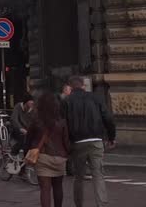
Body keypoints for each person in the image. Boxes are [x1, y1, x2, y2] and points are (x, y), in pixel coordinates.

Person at [63, 76, 116, 207]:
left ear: (70, 87)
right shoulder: (96, 97)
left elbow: (63, 124)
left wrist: (66, 144)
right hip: (96, 140)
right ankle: (102, 204)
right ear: (83, 86)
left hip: (77, 143)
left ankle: (79, 204)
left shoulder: (67, 101)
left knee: (78, 177)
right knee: (98, 175)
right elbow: (108, 118)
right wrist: (111, 137)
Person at [27, 92, 71, 207]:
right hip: (59, 157)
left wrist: (27, 151)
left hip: (42, 156)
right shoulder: (62, 122)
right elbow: (66, 142)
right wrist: (68, 155)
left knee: (45, 190)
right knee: (58, 187)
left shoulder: (36, 120)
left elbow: (28, 138)